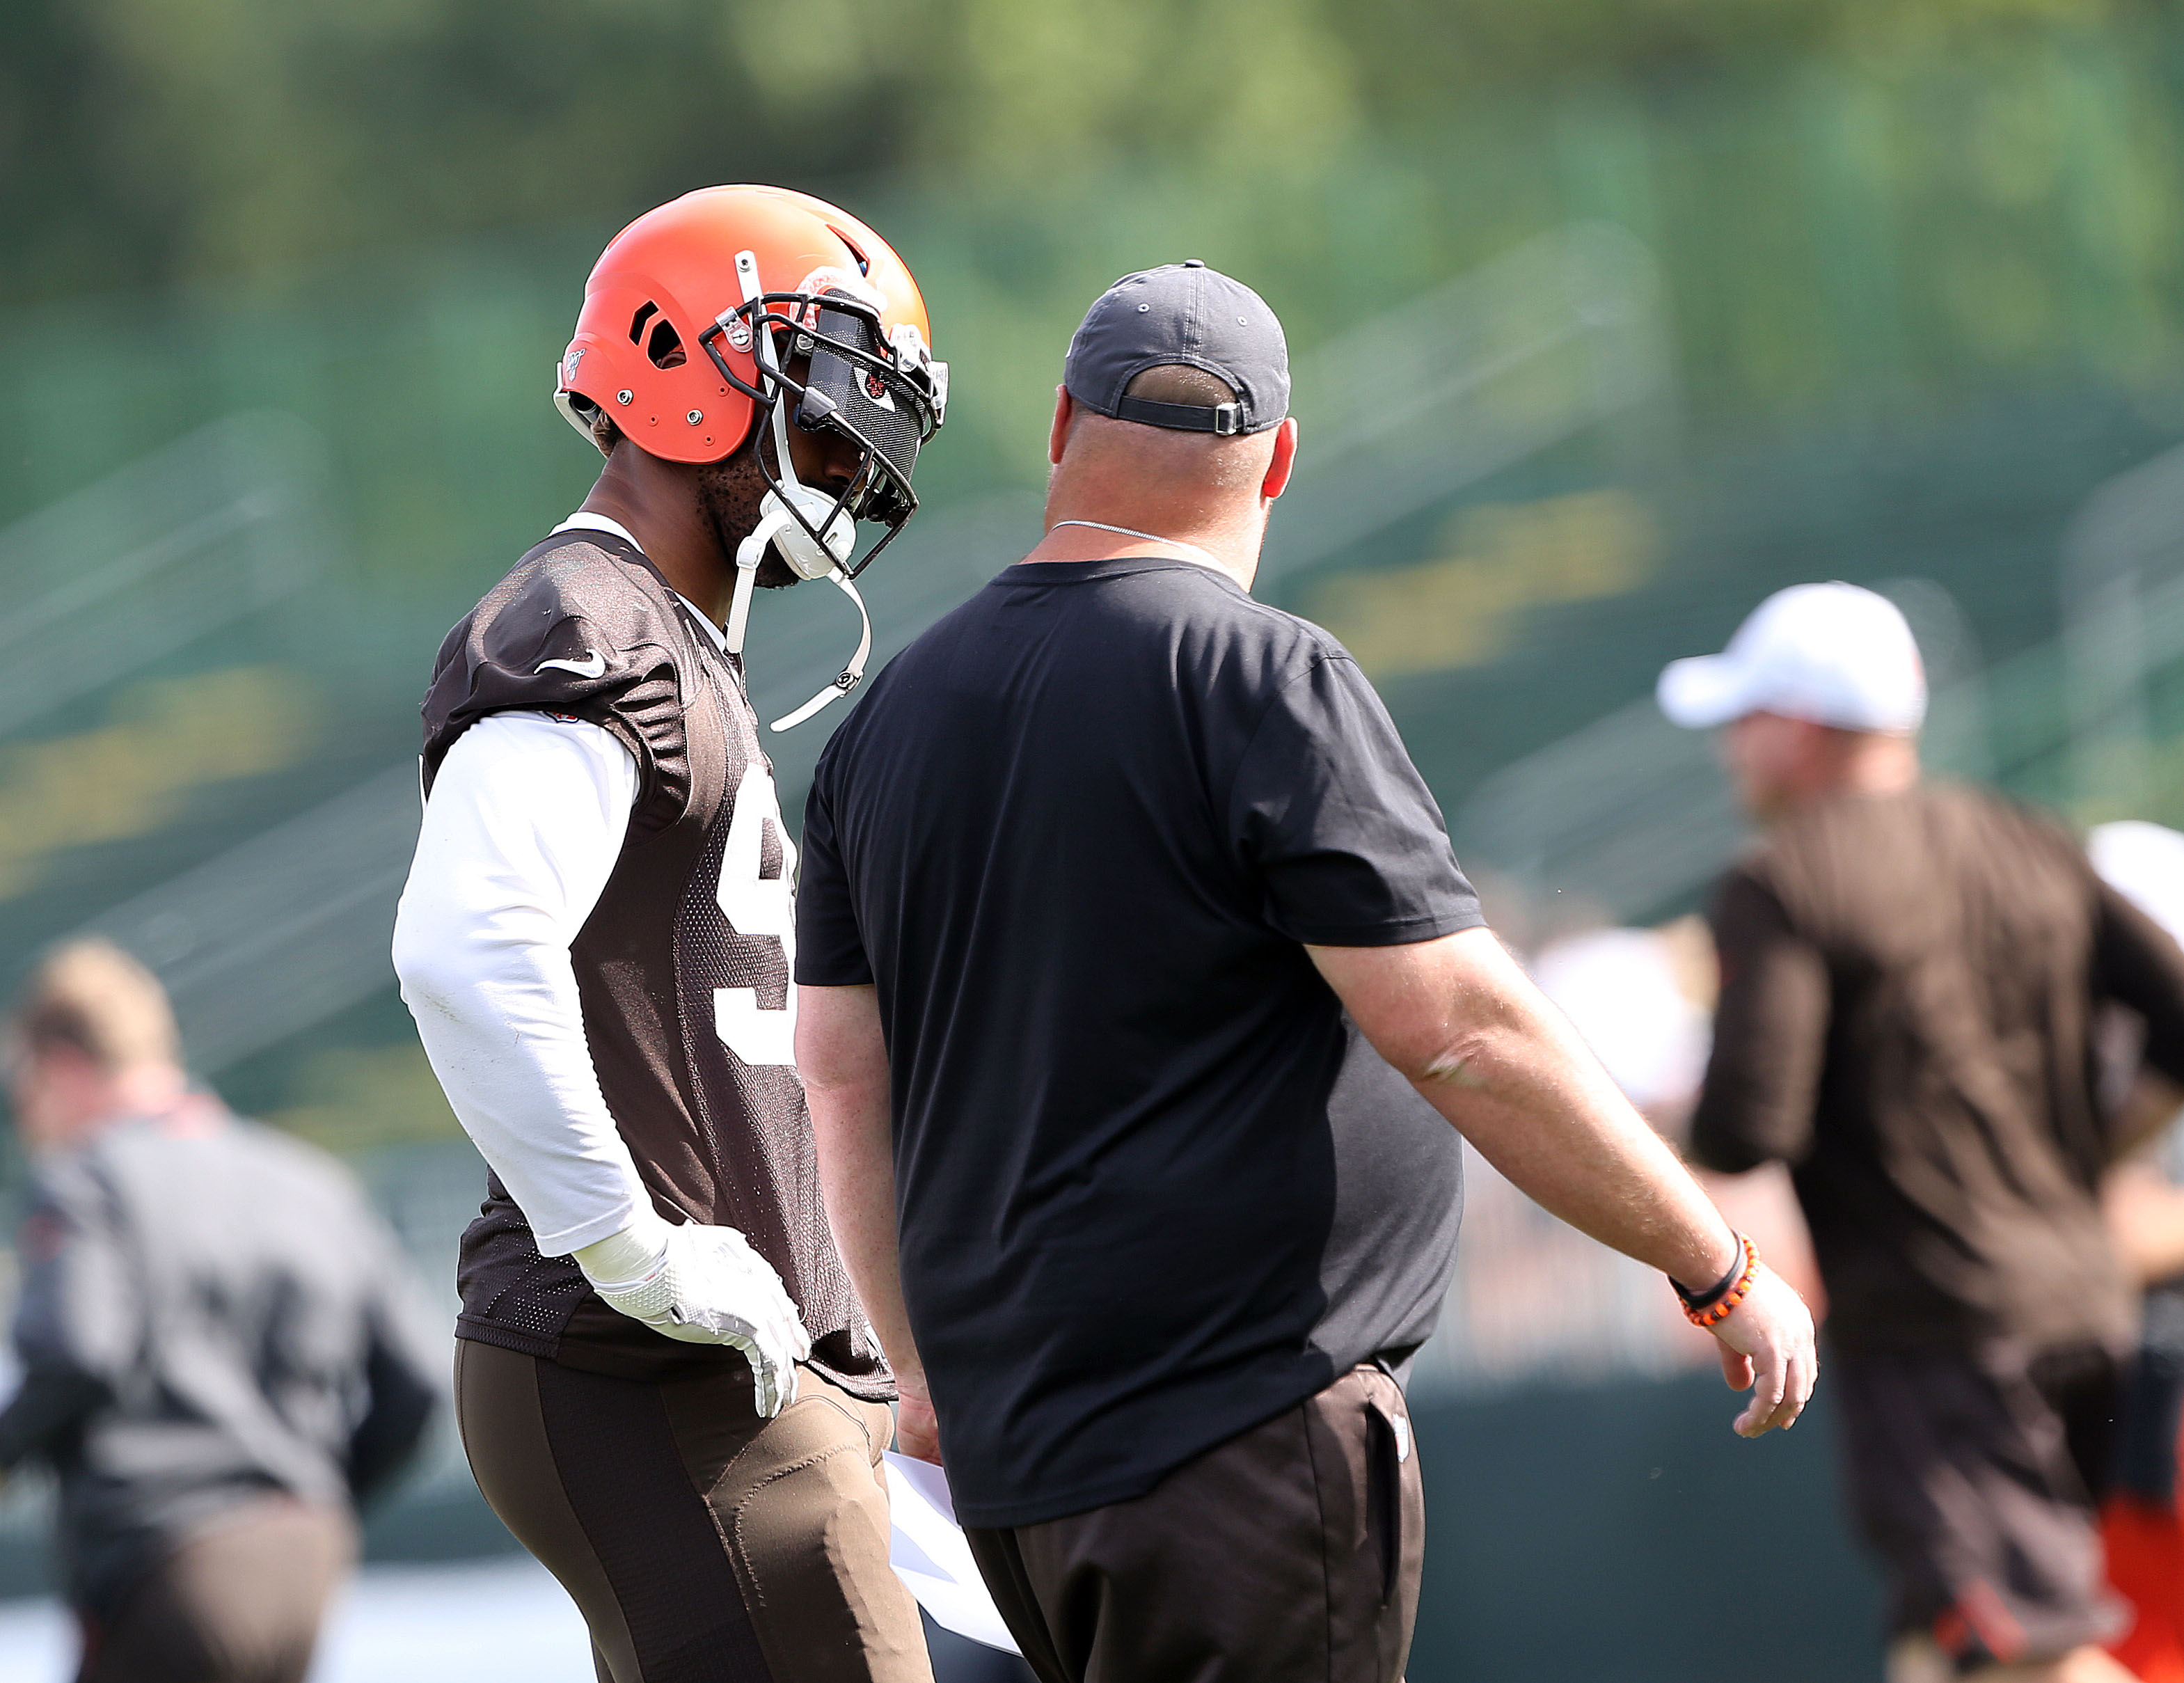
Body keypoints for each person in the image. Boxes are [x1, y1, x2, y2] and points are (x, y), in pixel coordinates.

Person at [792, 260, 1817, 1683]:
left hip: (1019, 1451)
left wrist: (913, 1373)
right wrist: (1713, 1265)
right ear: (1275, 459)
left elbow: (843, 1076)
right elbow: (1457, 1031)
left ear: (1056, 427)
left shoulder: (882, 723)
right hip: (1235, 1430)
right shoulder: (1259, 675)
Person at [391, 184, 950, 1683]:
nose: (848, 471)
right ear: (683, 373)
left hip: (717, 1374)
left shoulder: (671, 639)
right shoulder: (590, 620)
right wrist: (634, 1250)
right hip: (653, 1363)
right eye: (825, 424)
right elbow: (464, 949)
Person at [1663, 583, 2184, 1683]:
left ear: (1797, 725)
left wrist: (1650, 1146)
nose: (1729, 752)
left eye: (1742, 721)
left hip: (1943, 1332)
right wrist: (2099, 1150)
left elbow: (1749, 1119)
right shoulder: (2029, 841)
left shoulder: (1782, 881)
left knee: (2020, 1654)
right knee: (1943, 1638)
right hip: (2083, 1306)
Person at [0, 938, 440, 1683]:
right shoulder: (310, 1182)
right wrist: (315, 1495)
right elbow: (422, 1380)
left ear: (61, 1067)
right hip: (304, 1563)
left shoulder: (89, 1181)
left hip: (169, 1561)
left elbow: (77, 1352)